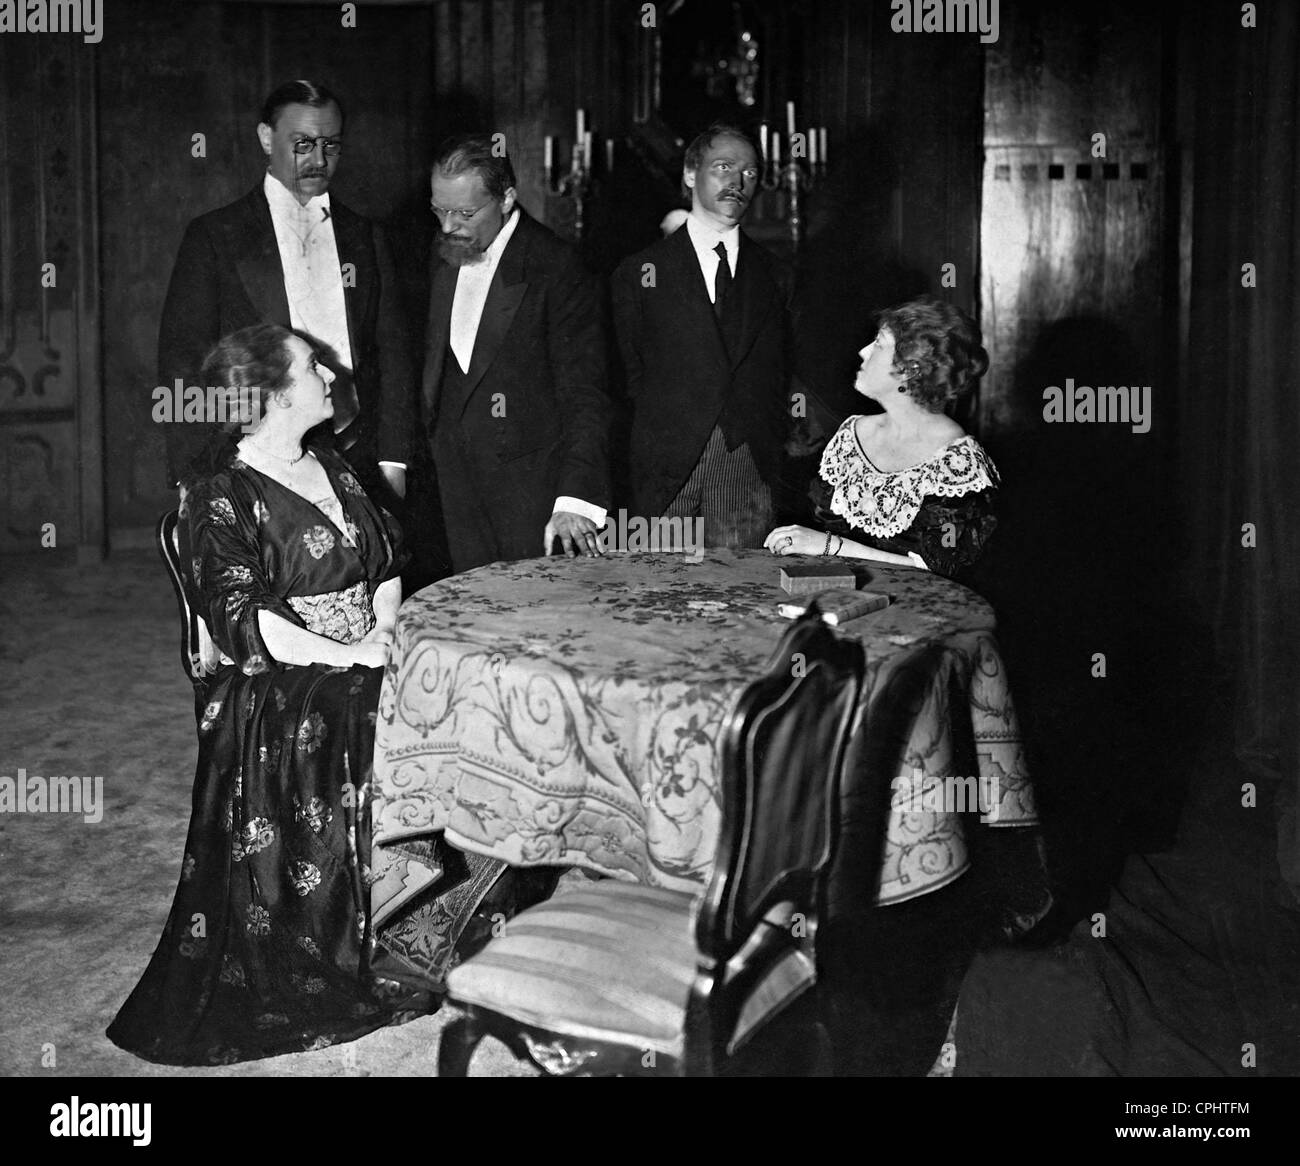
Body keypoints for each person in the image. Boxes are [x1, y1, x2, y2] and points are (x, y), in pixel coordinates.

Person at [108, 324, 432, 1065]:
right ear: (274, 395)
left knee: (455, 683)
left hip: (360, 645)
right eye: (313, 366)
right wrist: (351, 656)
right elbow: (246, 622)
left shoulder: (335, 466)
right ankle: (356, 949)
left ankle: (431, 923)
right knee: (375, 708)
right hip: (277, 683)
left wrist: (382, 631)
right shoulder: (220, 498)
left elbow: (385, 558)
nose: (330, 372)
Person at [156, 79, 412, 504]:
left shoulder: (367, 236)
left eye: (331, 145)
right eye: (303, 144)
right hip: (253, 460)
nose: (319, 160)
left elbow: (395, 357)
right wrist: (192, 476)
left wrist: (394, 462)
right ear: (265, 138)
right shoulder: (214, 237)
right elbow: (182, 362)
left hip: (357, 451)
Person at [421, 133, 611, 572]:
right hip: (453, 486)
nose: (448, 226)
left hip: (533, 494)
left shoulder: (560, 268)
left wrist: (577, 498)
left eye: (466, 212)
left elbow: (588, 394)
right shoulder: (444, 252)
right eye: (439, 210)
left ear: (506, 199)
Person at [611, 124, 794, 549]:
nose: (737, 182)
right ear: (691, 174)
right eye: (724, 167)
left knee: (741, 601)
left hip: (745, 466)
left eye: (750, 172)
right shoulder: (641, 273)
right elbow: (625, 377)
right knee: (656, 598)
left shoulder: (777, 274)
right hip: (663, 467)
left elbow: (785, 372)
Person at [764, 296, 998, 581]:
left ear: (910, 369)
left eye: (878, 344)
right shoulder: (852, 434)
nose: (863, 352)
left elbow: (943, 572)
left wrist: (829, 546)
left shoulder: (958, 464)